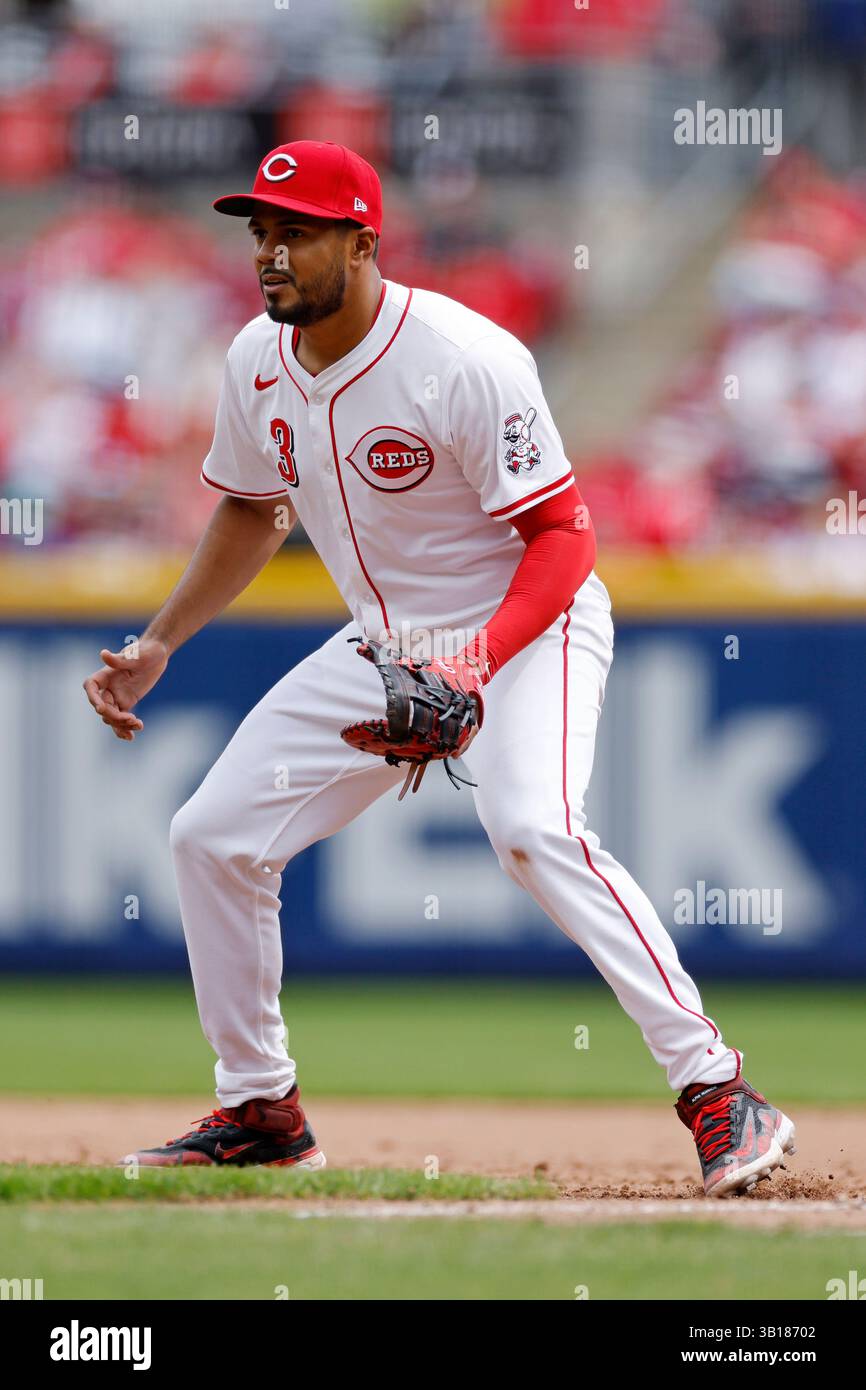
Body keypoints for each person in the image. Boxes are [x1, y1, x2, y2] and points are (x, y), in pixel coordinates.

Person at [84, 141, 795, 1196]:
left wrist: (470, 669)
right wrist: (160, 640)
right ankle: (261, 1111)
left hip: (527, 623)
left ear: (363, 241)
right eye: (260, 233)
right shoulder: (254, 358)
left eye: (297, 232)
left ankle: (717, 1088)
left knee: (532, 827)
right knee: (211, 836)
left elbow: (563, 539)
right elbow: (248, 506)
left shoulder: (464, 357)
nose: (270, 255)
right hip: (385, 642)